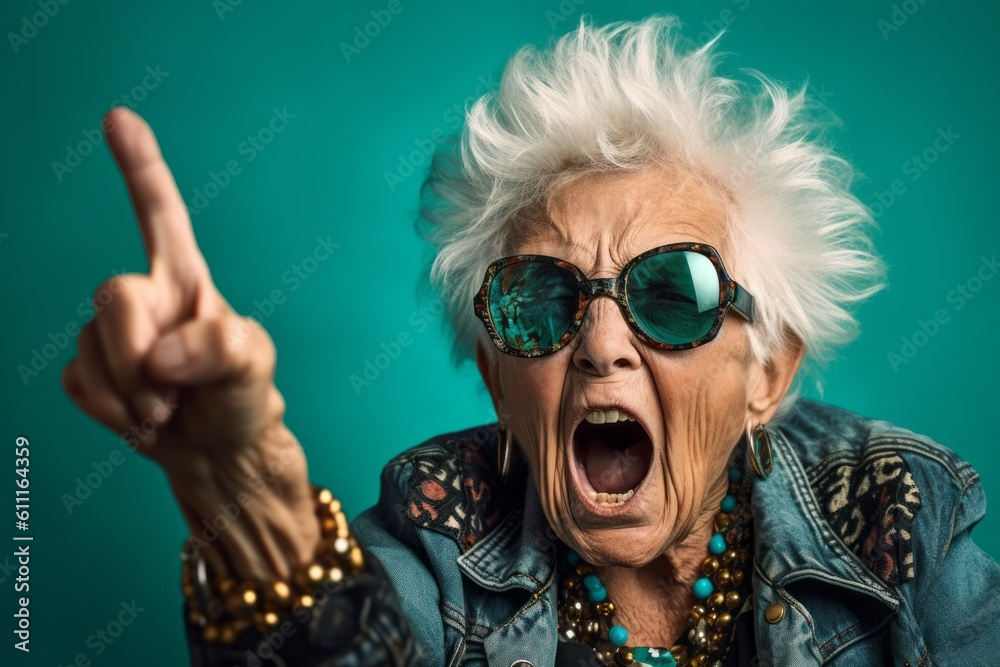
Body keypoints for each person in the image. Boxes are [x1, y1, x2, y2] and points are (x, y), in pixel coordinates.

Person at [62, 15, 1000, 667]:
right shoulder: (435, 538)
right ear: (497, 377)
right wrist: (244, 487)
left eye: (673, 293)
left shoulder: (894, 516)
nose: (599, 345)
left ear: (770, 369)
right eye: (538, 302)